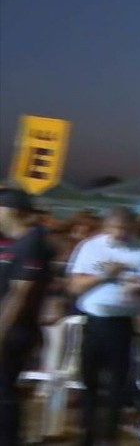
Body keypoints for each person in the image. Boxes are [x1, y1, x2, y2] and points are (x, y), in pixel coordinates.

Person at [68, 206, 140, 446]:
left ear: (133, 228)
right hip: (94, 321)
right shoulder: (90, 247)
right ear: (107, 226)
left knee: (118, 383)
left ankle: (109, 435)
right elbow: (74, 285)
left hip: (122, 323)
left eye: (126, 229)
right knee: (89, 379)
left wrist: (139, 286)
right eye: (117, 228)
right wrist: (106, 276)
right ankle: (86, 434)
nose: (121, 234)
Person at [0, 188, 55, 444]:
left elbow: (19, 294)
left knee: (3, 393)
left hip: (13, 331)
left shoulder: (33, 242)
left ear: (11, 210)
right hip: (9, 328)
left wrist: (1, 333)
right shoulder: (15, 243)